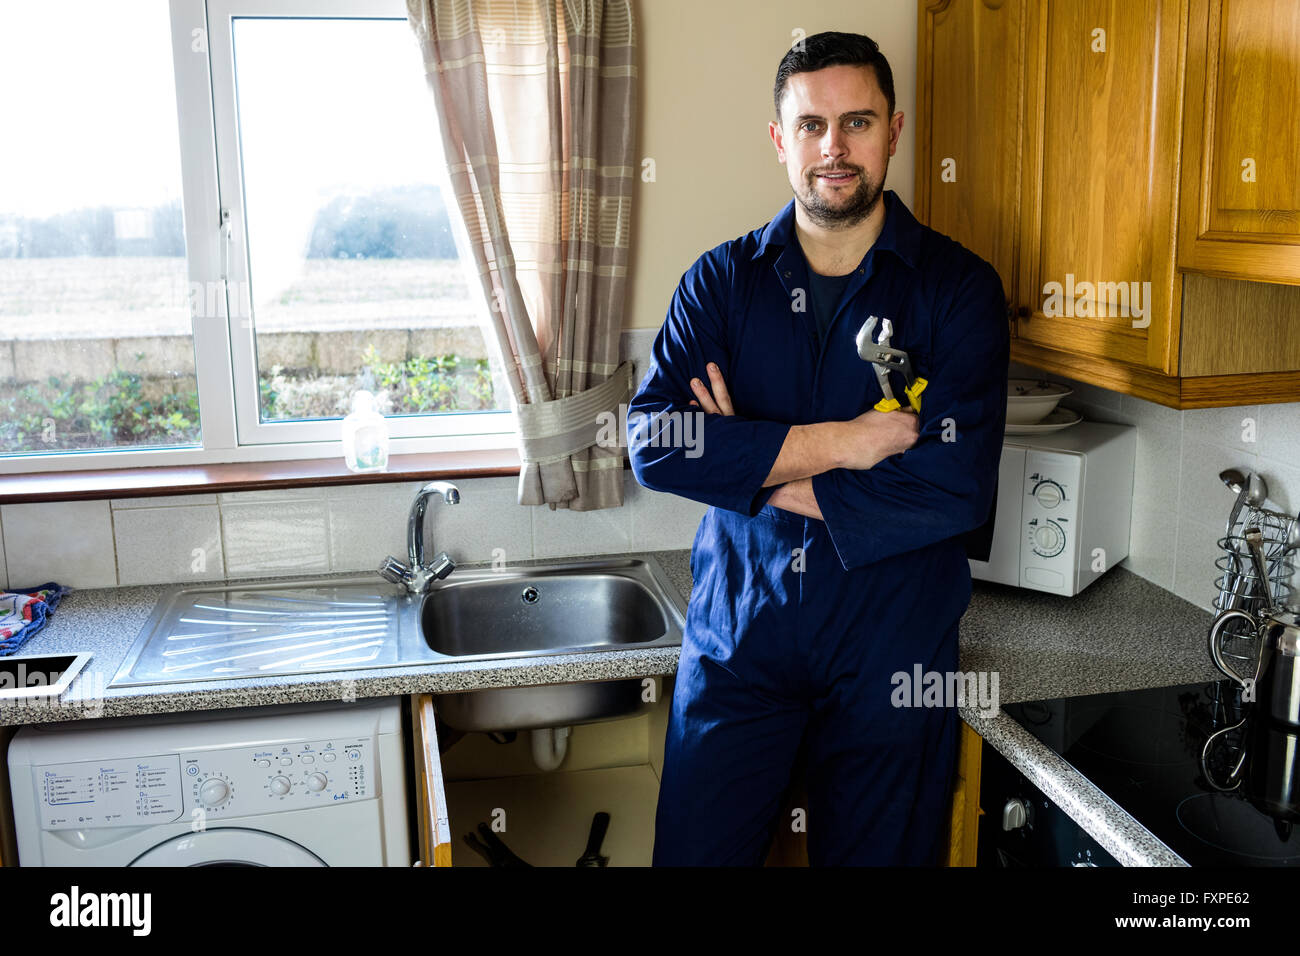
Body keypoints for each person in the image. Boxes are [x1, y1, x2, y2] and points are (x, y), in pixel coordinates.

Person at [627, 31, 1009, 866]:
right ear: (779, 140)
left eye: (857, 122)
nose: (833, 147)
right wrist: (845, 444)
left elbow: (953, 490)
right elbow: (655, 440)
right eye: (811, 125)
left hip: (894, 645)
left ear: (894, 131)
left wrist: (746, 464)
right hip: (739, 633)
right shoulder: (719, 283)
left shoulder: (961, 291)